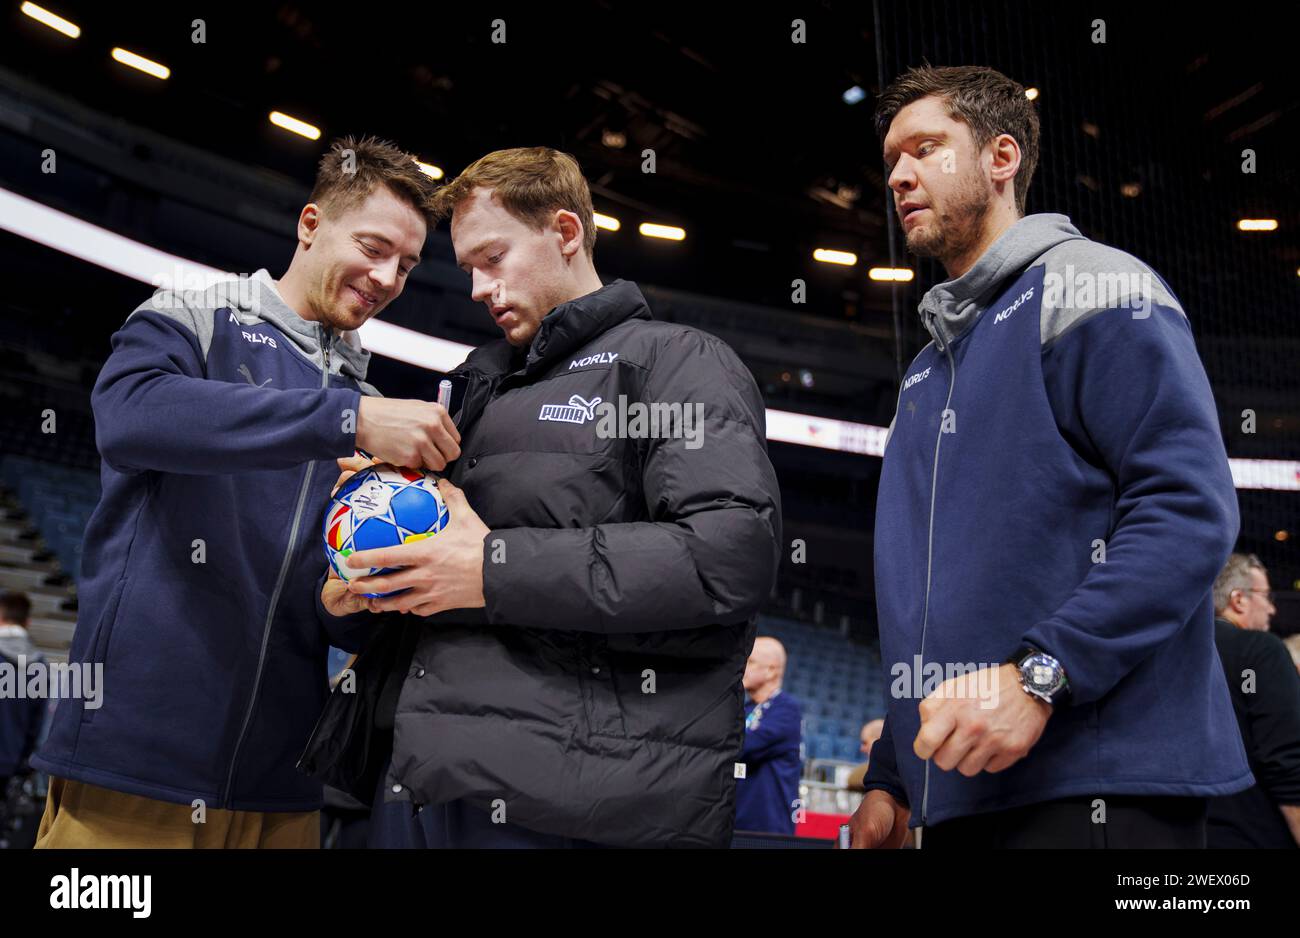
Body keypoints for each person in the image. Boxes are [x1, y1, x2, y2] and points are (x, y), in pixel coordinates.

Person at [304, 146, 782, 848]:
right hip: (406, 785)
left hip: (567, 810)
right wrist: (363, 596)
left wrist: (491, 566)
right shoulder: (475, 383)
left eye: (493, 258)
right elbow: (441, 590)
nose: (475, 287)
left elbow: (727, 558)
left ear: (565, 232)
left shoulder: (677, 361)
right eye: (467, 267)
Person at [848, 65, 1250, 850]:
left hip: (1102, 787)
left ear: (1002, 158)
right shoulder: (929, 367)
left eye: (927, 148)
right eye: (892, 159)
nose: (898, 175)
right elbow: (931, 597)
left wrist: (1042, 677)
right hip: (964, 789)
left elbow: (1189, 512)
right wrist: (895, 779)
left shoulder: (1095, 285)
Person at [30, 136, 457, 848]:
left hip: (282, 788)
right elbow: (132, 417)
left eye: (406, 266)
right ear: (311, 224)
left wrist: (352, 602)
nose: (387, 277)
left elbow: (338, 617)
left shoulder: (368, 407)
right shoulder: (198, 313)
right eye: (374, 247)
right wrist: (344, 417)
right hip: (137, 765)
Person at [1207, 553, 1300, 847]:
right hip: (1255, 838)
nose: (1272, 608)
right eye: (1266, 595)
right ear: (1239, 599)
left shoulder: (1171, 652)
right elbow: (1287, 762)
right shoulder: (1259, 649)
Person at [734, 637, 803, 835]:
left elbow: (743, 746)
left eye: (751, 661)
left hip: (768, 826)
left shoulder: (786, 709)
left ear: (771, 670)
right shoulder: (744, 707)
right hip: (736, 820)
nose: (743, 666)